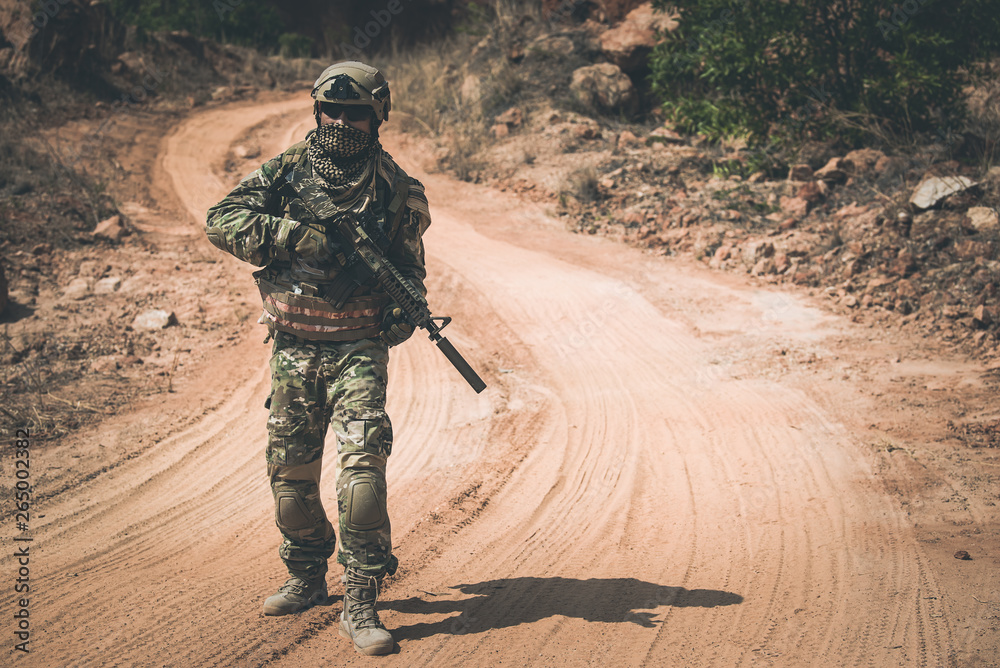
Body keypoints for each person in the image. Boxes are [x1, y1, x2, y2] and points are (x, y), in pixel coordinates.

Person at [205, 61, 431, 656]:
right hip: (293, 346)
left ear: (378, 114)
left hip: (359, 348)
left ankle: (360, 602)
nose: (340, 121)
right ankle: (306, 575)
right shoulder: (286, 173)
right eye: (330, 110)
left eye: (354, 112)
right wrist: (291, 237)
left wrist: (405, 312)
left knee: (361, 479)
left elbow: (411, 272)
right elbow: (220, 220)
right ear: (316, 109)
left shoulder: (397, 190)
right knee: (289, 478)